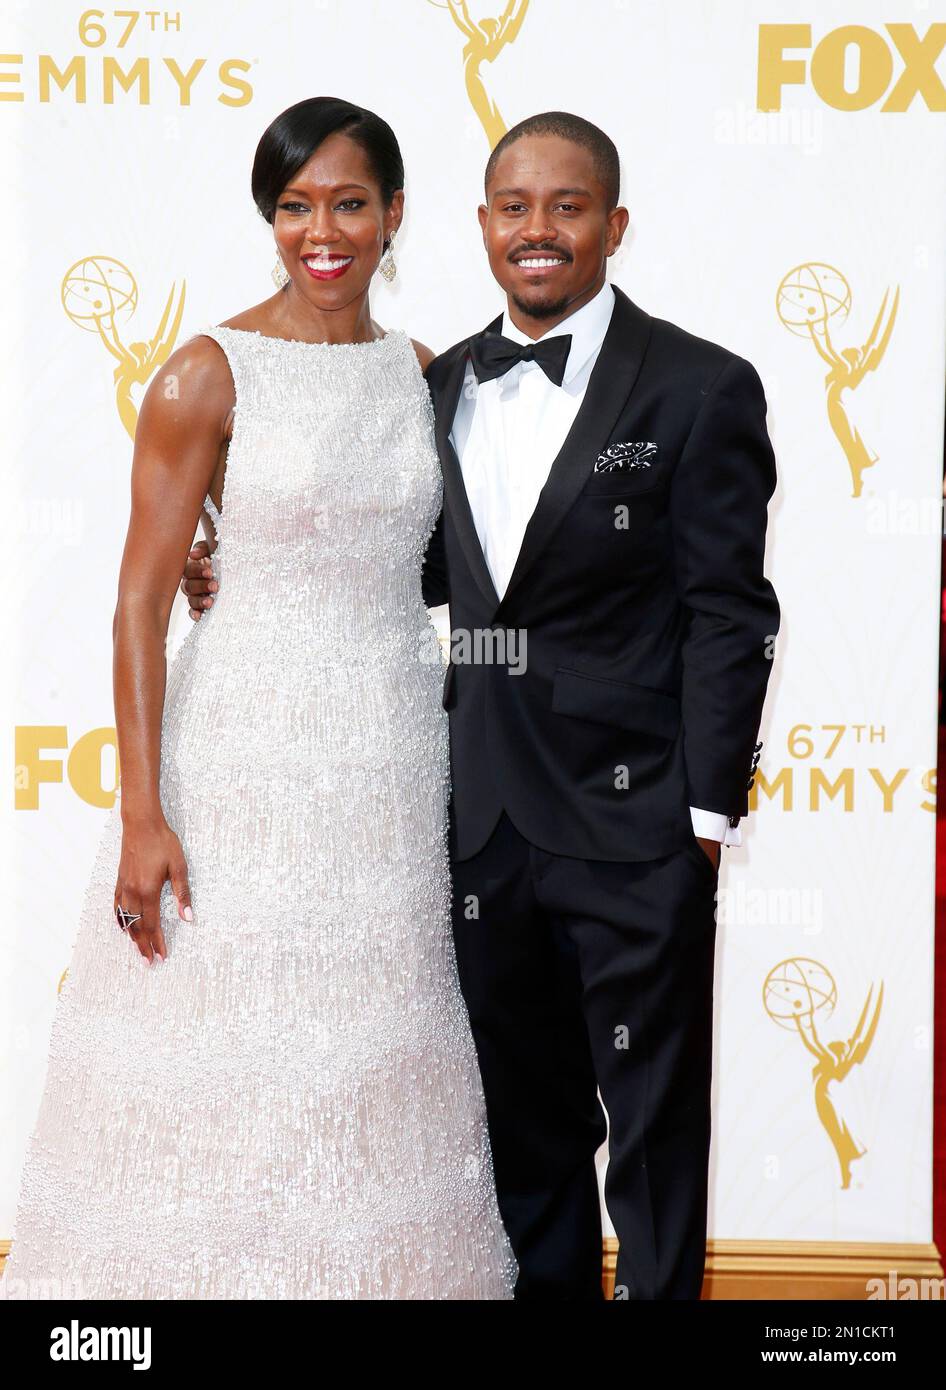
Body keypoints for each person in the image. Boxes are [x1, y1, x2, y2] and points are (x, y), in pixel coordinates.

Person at [185, 112, 781, 1301]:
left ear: (613, 225)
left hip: (635, 820)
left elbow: (729, 608)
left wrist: (703, 817)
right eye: (515, 207)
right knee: (527, 1133)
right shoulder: (440, 378)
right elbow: (423, 568)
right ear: (479, 226)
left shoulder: (701, 385)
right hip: (480, 816)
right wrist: (242, 564)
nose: (539, 230)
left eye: (567, 207)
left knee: (655, 1136)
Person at [2, 97, 516, 1301]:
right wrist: (142, 811)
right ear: (268, 217)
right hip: (237, 756)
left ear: (395, 215)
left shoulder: (421, 373)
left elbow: (448, 568)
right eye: (294, 206)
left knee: (370, 1034)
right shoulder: (204, 372)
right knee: (218, 1036)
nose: (320, 231)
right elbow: (137, 605)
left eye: (348, 203)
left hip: (388, 755)